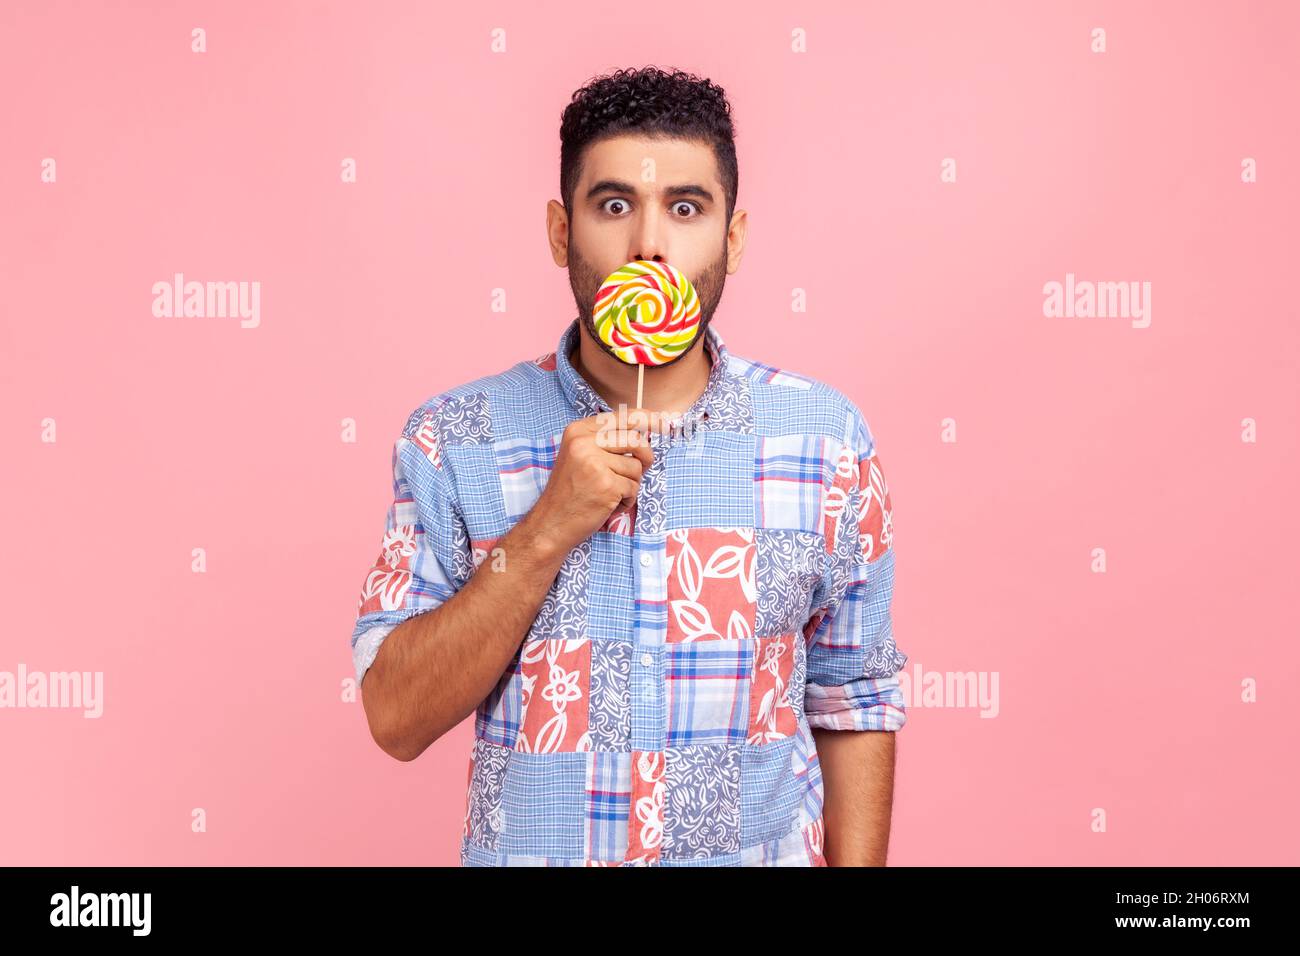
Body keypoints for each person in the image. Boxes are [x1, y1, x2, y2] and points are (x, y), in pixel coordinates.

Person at [349, 66, 907, 867]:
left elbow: (855, 700)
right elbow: (395, 718)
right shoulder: (453, 437)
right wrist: (545, 529)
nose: (649, 244)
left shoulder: (825, 440)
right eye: (615, 205)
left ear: (733, 238)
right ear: (559, 230)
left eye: (686, 208)